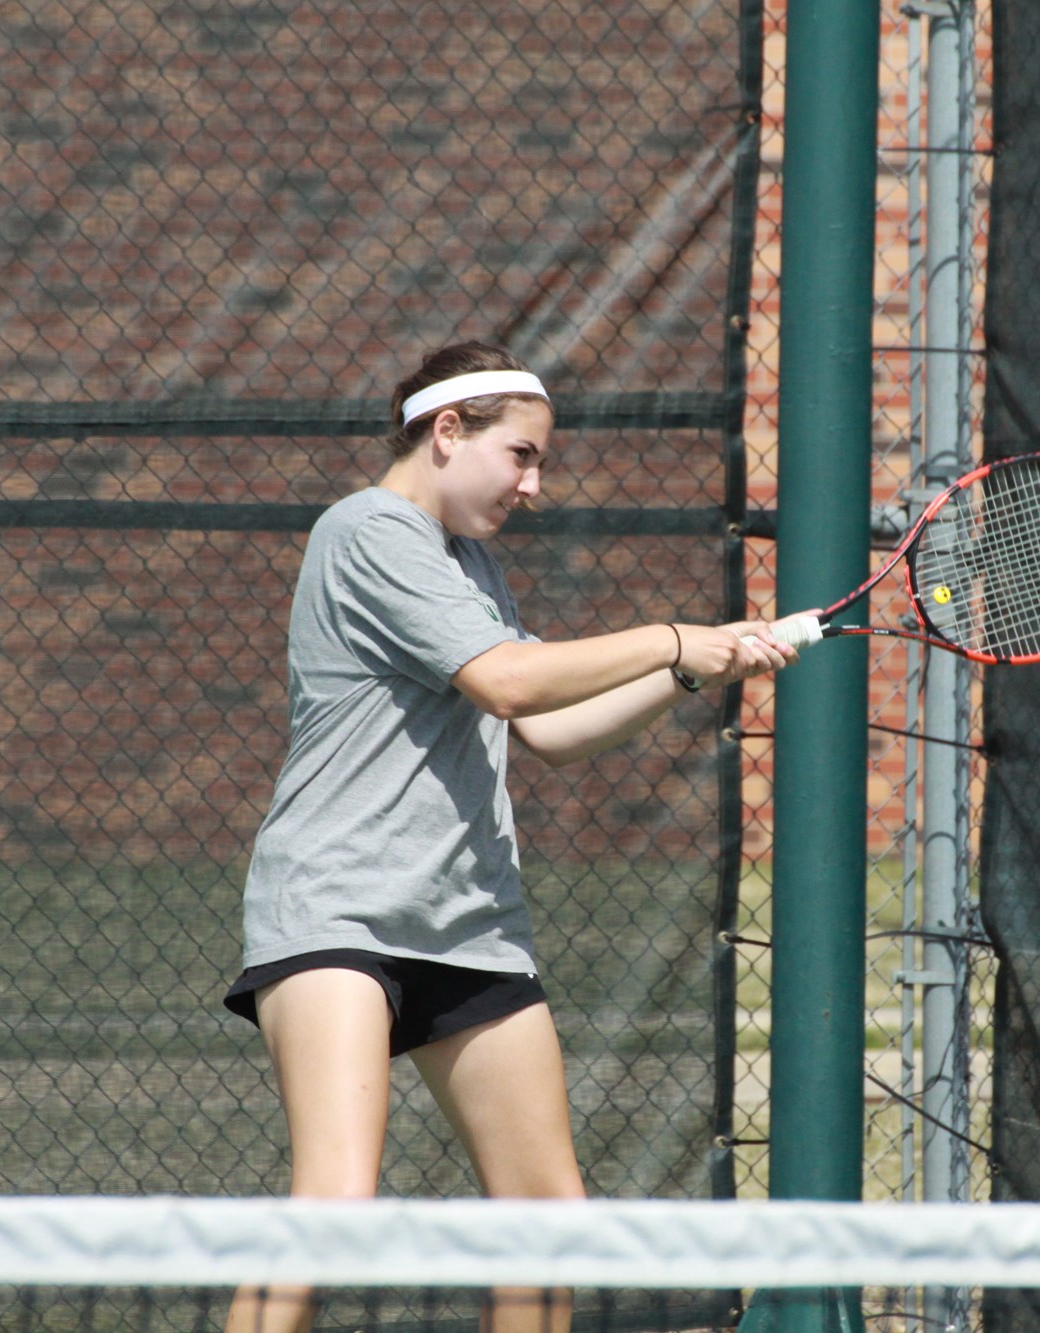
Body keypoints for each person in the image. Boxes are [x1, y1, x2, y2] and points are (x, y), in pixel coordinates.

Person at [221, 340, 796, 1333]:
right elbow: (509, 682)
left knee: (544, 1220)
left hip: (470, 923)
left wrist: (701, 671)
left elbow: (548, 731)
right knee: (336, 1203)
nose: (535, 484)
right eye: (521, 456)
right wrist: (671, 636)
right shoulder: (366, 530)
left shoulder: (468, 565)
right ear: (447, 432)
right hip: (336, 910)